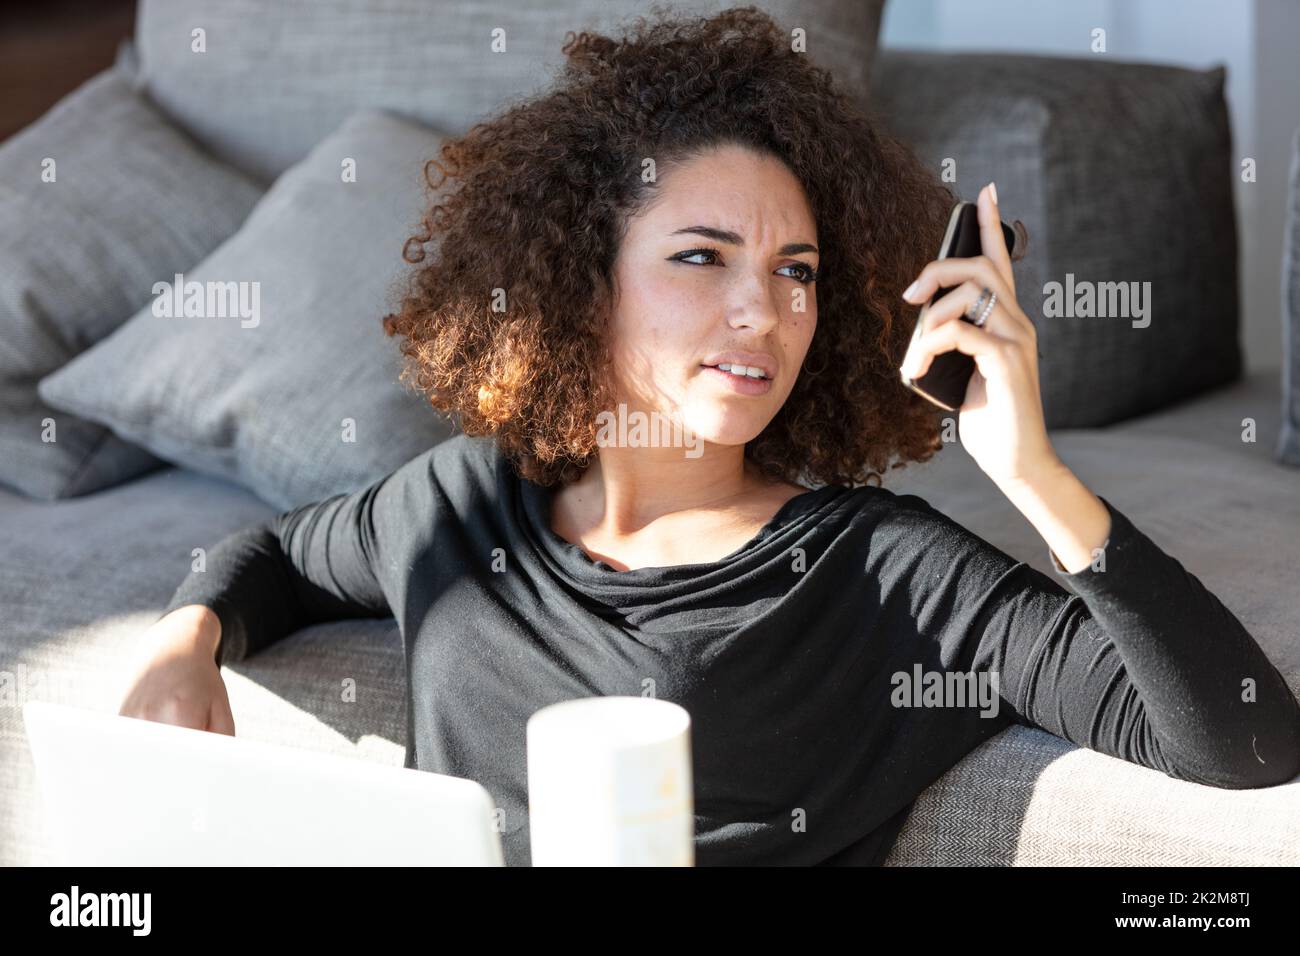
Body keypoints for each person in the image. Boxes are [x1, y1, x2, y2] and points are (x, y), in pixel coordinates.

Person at [118, 8, 1300, 866]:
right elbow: (273, 554)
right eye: (700, 258)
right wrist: (188, 639)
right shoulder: (457, 505)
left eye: (796, 271)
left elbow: (1243, 738)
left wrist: (1036, 475)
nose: (764, 310)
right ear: (582, 286)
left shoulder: (877, 571)